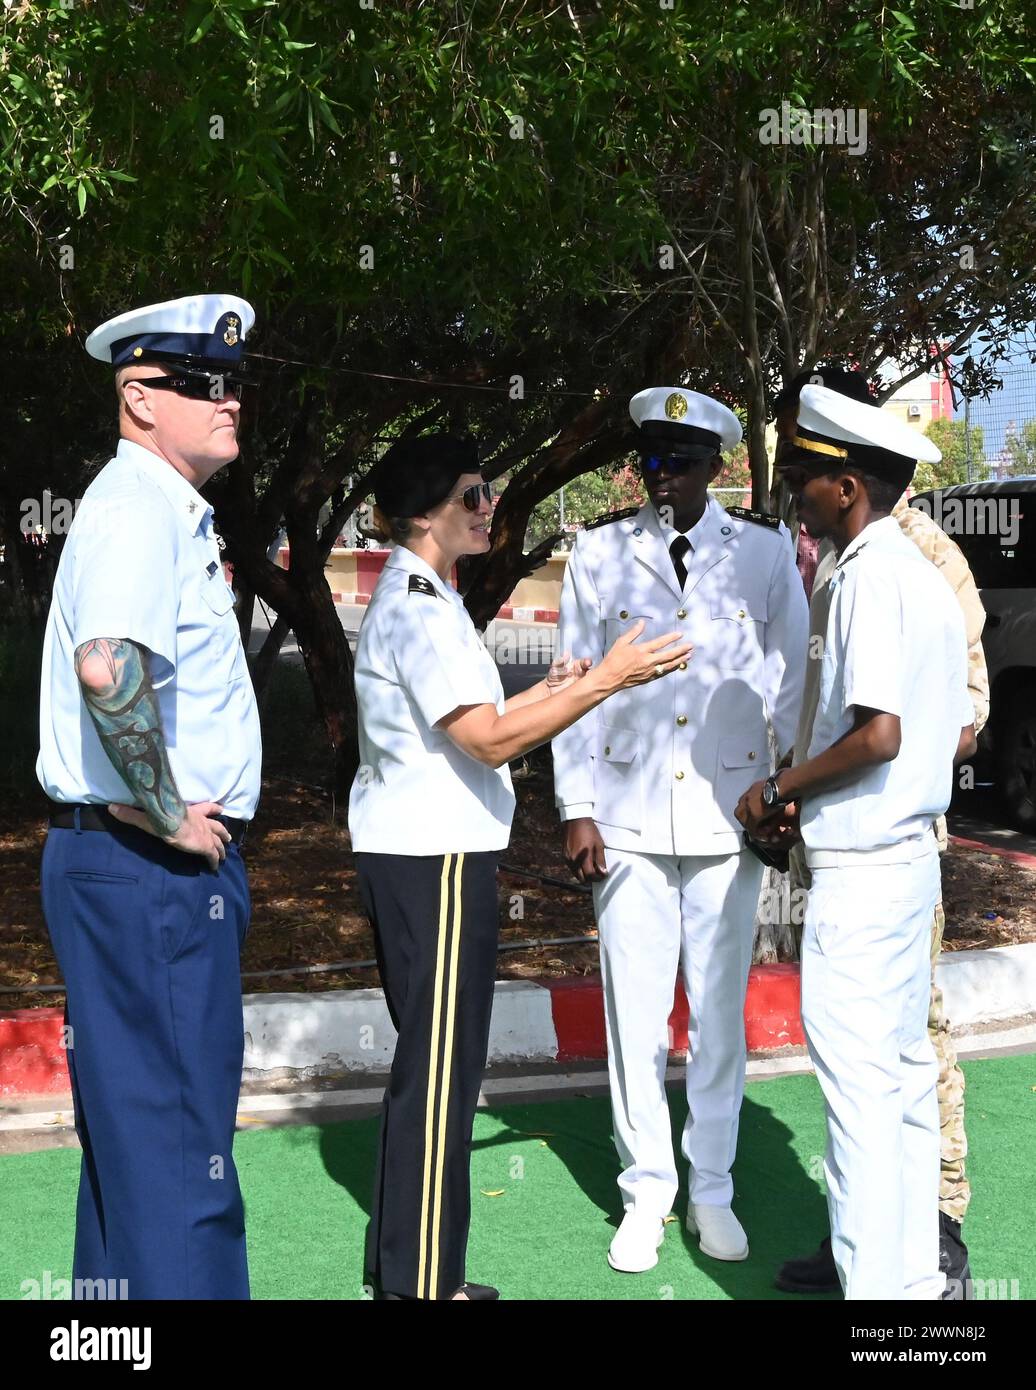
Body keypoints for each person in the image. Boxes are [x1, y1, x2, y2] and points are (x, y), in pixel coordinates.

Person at [347, 433, 693, 1301]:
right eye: (472, 494)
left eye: (487, 490)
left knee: (430, 1067)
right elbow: (487, 738)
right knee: (440, 1076)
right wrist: (605, 681)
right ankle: (425, 1285)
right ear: (425, 513)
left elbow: (485, 714)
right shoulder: (420, 606)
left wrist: (560, 684)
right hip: (436, 856)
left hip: (425, 847)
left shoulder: (423, 594)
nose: (488, 507)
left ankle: (408, 1272)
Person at [551, 387, 808, 1273]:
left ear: (719, 467)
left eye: (684, 461)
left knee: (720, 1018)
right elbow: (571, 680)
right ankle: (646, 1191)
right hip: (623, 818)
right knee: (634, 1018)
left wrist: (789, 793)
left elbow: (791, 687)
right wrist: (573, 804)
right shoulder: (597, 551)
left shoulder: (766, 554)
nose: (666, 476)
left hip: (728, 818)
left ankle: (712, 1189)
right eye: (653, 460)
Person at [37, 294, 260, 1299]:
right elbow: (104, 665)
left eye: (234, 380)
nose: (229, 398)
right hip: (152, 872)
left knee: (135, 1154)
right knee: (177, 1160)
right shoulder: (136, 507)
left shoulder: (153, 508)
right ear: (138, 397)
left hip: (133, 867)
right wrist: (166, 811)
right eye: (202, 382)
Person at [736, 384, 976, 1300]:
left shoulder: (874, 574)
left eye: (803, 477)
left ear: (847, 488)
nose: (794, 493)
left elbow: (876, 733)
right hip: (906, 857)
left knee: (862, 1095)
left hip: (866, 874)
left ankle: (880, 1299)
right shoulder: (917, 576)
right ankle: (915, 1292)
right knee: (905, 1083)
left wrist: (780, 787)